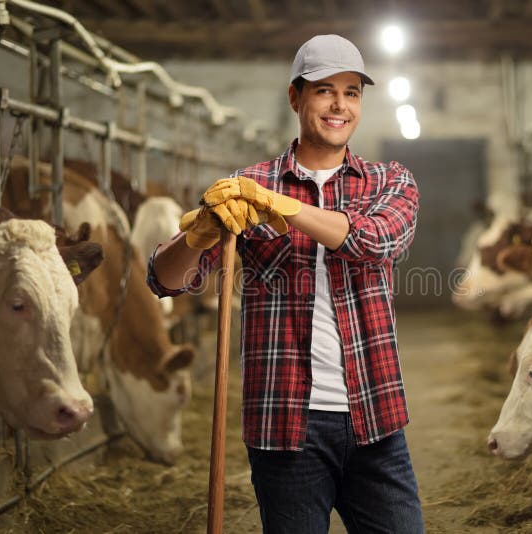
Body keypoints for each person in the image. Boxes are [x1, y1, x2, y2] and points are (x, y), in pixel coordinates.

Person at [147, 34, 424, 534]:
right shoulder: (244, 186)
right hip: (284, 423)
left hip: (375, 417)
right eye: (324, 90)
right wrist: (201, 232)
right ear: (295, 97)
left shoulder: (390, 182)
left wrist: (281, 205)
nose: (340, 105)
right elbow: (166, 280)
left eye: (352, 92)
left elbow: (375, 241)